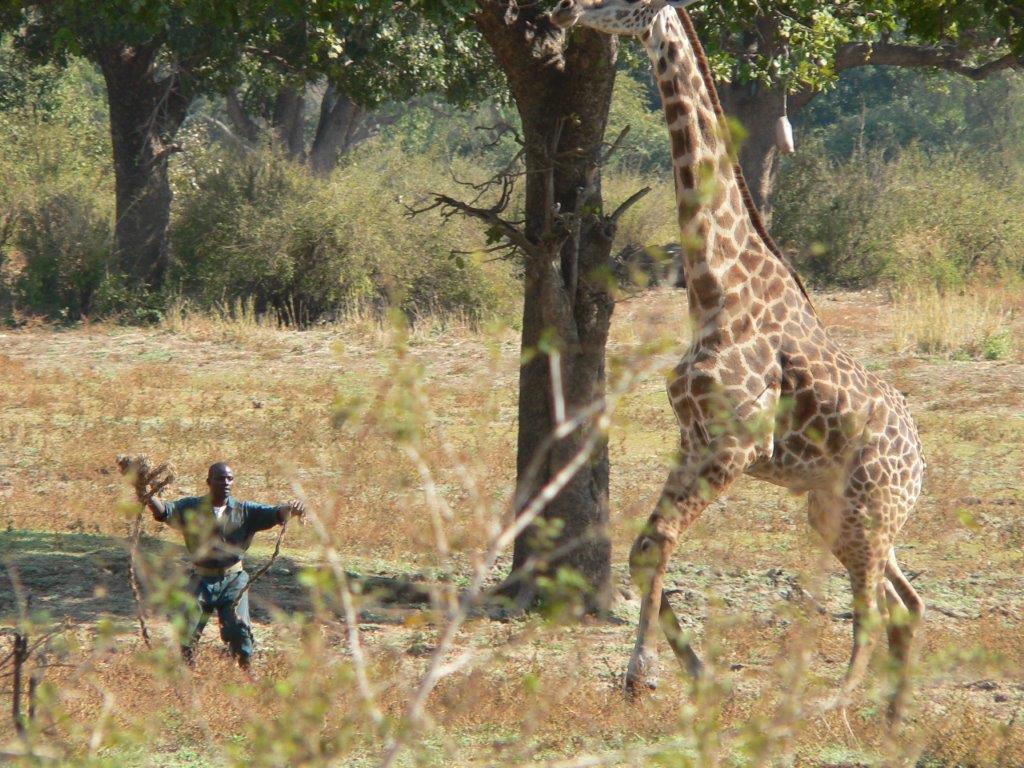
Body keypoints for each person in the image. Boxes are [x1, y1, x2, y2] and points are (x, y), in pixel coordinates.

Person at [147, 462, 304, 669]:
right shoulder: (190, 507)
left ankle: (247, 674)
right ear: (208, 482)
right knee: (186, 631)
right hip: (200, 579)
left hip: (233, 580)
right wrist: (147, 494)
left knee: (239, 631)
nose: (226, 482)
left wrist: (291, 509)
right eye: (220, 478)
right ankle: (187, 678)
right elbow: (164, 512)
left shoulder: (245, 511)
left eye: (230, 478)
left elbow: (275, 513)